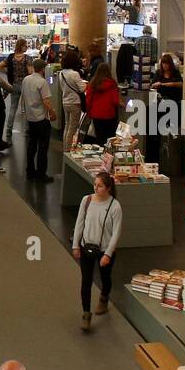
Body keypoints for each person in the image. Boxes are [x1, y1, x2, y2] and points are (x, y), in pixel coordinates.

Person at [72, 170, 123, 329]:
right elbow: (79, 223)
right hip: (86, 246)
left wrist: (108, 254)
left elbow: (116, 232)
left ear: (108, 188)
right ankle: (86, 314)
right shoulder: (86, 200)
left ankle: (104, 297)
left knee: (105, 278)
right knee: (86, 281)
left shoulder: (115, 206)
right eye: (95, 185)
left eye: (100, 186)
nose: (96, 188)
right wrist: (75, 245)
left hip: (104, 250)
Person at [21, 57, 56, 183]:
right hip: (41, 118)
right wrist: (52, 113)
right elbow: (46, 101)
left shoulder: (26, 79)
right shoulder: (42, 82)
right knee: (43, 147)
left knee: (31, 146)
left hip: (30, 118)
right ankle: (41, 173)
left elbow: (23, 97)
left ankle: (30, 171)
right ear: (43, 69)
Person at [0, 38, 31, 145]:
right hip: (25, 85)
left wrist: (8, 72)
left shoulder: (11, 57)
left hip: (14, 85)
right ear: (21, 46)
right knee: (26, 108)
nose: (27, 47)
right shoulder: (27, 58)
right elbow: (30, 72)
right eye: (25, 45)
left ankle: (9, 130)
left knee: (13, 108)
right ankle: (27, 130)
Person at [150, 52, 183, 151]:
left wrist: (167, 84)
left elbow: (180, 84)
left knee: (172, 126)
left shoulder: (175, 73)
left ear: (170, 64)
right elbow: (152, 86)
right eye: (163, 63)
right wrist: (155, 84)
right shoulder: (158, 73)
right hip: (161, 103)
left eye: (167, 63)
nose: (165, 66)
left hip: (174, 103)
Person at [84, 62, 122, 143]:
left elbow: (88, 100)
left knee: (99, 138)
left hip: (96, 115)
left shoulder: (92, 84)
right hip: (109, 115)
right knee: (109, 139)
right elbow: (115, 101)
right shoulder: (112, 84)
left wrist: (89, 114)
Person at [58, 52, 87, 151]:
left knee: (67, 126)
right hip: (75, 103)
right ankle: (68, 150)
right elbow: (82, 89)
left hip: (65, 101)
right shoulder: (75, 74)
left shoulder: (61, 73)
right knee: (72, 128)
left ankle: (65, 148)